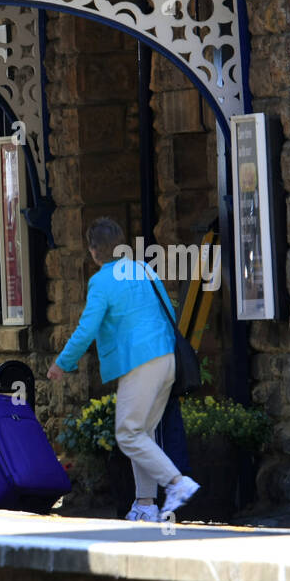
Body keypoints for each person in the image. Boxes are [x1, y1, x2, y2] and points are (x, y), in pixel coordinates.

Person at [47, 217, 200, 521]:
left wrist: (62, 363)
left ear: (93, 252)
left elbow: (86, 329)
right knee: (143, 433)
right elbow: (169, 311)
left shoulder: (101, 281)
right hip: (166, 357)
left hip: (138, 361)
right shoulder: (144, 269)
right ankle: (145, 505)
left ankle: (177, 483)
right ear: (122, 246)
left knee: (128, 434)